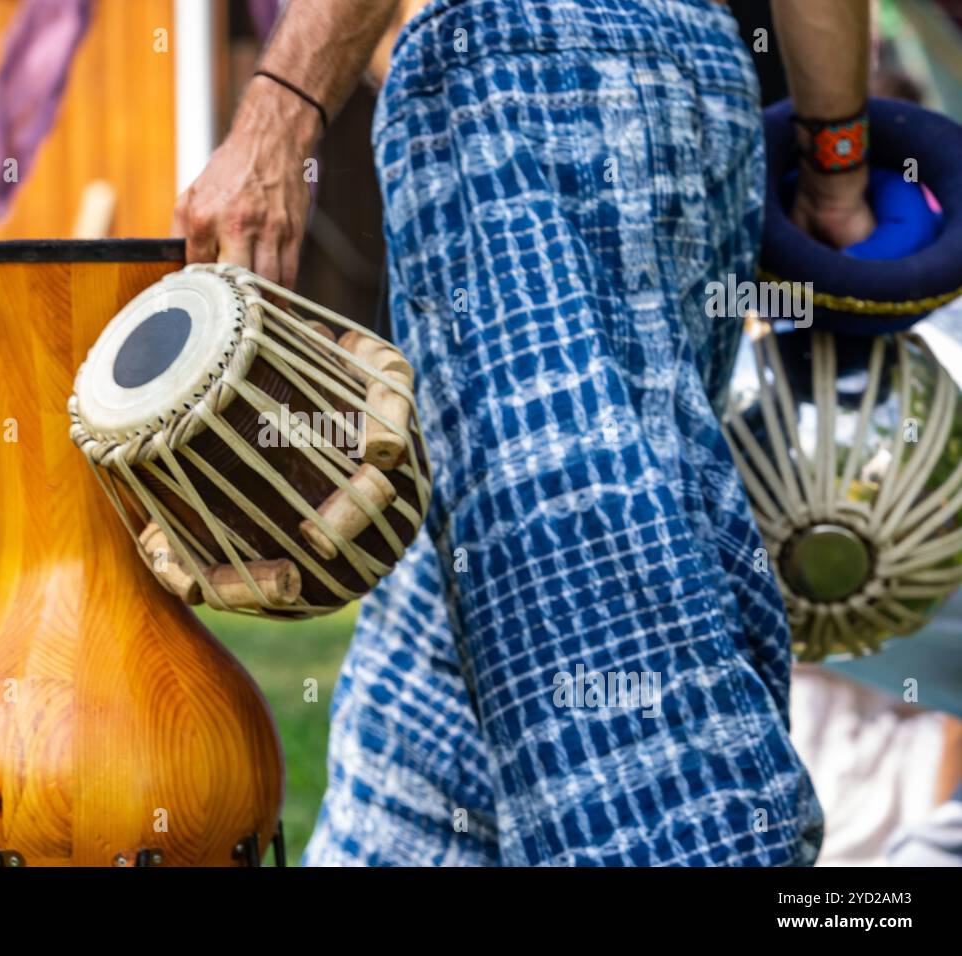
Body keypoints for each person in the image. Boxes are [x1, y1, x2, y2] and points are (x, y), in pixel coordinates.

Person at [174, 0, 875, 865]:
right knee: (493, 568)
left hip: (505, 68)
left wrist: (280, 115)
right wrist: (835, 160)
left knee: (589, 581)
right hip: (700, 78)